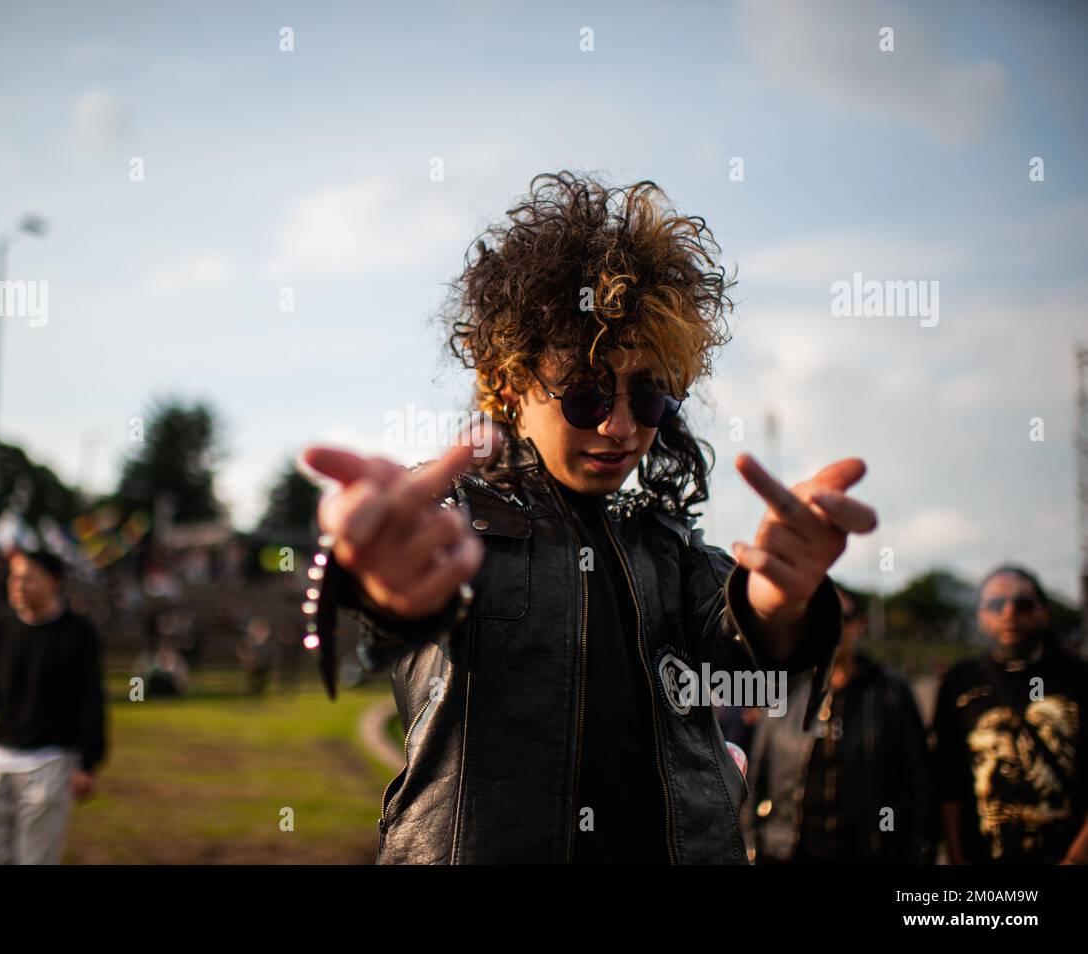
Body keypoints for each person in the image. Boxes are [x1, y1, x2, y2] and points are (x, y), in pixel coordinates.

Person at [299, 171, 878, 864]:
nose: (620, 426)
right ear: (511, 384)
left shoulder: (669, 549)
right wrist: (382, 582)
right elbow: (403, 602)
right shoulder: (456, 529)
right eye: (584, 393)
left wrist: (783, 598)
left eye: (649, 394)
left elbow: (744, 638)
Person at [745, 585, 933, 864]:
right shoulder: (784, 691)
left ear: (860, 625)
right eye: (818, 619)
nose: (830, 628)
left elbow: (920, 781)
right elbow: (757, 776)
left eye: (840, 618)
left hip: (871, 852)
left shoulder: (891, 694)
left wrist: (919, 851)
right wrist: (750, 845)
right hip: (787, 852)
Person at [0, 549, 107, 865]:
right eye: (14, 577)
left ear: (53, 581)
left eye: (27, 578)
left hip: (50, 765)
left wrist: (87, 762)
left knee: (34, 859)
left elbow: (91, 698)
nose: (17, 585)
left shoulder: (77, 633)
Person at [932, 565, 1088, 865]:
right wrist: (956, 854)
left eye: (1023, 603)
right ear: (980, 615)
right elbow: (948, 780)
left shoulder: (1078, 678)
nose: (1008, 612)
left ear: (1043, 612)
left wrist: (1075, 858)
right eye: (995, 604)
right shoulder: (960, 682)